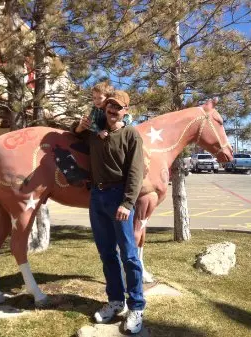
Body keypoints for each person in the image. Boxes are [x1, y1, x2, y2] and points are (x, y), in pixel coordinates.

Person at [73, 90, 145, 334]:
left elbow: (136, 173)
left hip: (118, 199)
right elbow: (75, 131)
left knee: (129, 256)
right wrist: (80, 126)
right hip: (97, 197)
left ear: (126, 110)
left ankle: (136, 306)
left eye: (118, 107)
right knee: (106, 254)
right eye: (109, 106)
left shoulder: (131, 134)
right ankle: (116, 301)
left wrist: (127, 204)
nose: (112, 111)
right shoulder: (95, 133)